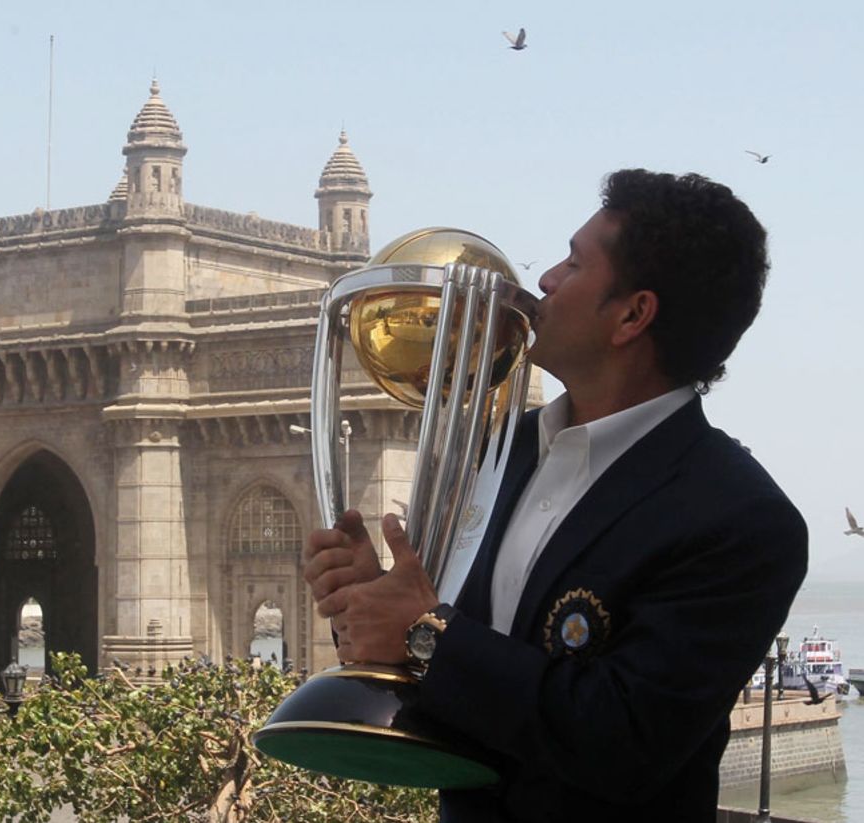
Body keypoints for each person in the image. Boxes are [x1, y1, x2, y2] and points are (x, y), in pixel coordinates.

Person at [303, 169, 808, 822]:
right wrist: (374, 606)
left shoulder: (738, 520)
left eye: (573, 264)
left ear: (633, 314)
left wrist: (426, 630)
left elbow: (623, 740)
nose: (545, 280)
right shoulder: (499, 454)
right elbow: (456, 685)